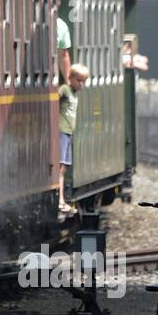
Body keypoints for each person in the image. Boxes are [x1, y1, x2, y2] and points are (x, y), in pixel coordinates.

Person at [57, 63, 88, 213]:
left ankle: (62, 199)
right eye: (79, 80)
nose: (81, 84)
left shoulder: (75, 94)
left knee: (63, 168)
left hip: (68, 133)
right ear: (70, 78)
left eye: (84, 81)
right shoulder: (65, 90)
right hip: (61, 131)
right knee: (60, 166)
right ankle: (60, 199)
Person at [56, 15, 71, 84]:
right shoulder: (61, 24)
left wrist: (68, 81)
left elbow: (64, 55)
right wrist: (68, 82)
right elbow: (63, 55)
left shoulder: (61, 25)